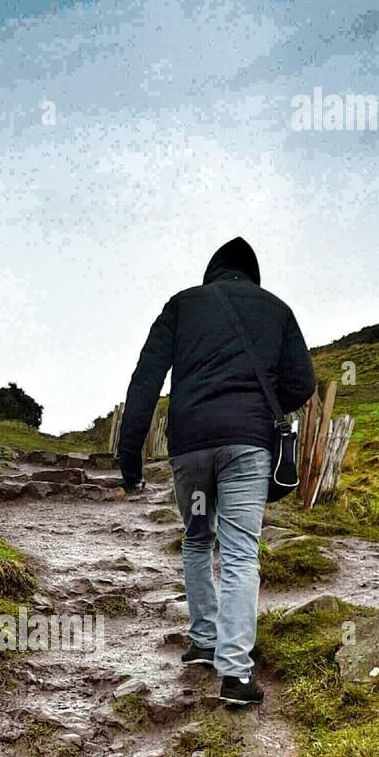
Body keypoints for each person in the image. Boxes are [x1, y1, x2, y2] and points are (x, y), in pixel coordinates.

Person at [117, 237, 315, 705]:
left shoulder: (182, 305)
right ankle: (235, 675)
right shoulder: (277, 309)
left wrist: (130, 463)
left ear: (212, 272)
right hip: (247, 446)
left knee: (198, 537)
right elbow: (302, 382)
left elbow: (145, 380)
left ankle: (202, 641)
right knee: (242, 553)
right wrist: (260, 408)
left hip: (190, 447)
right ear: (252, 274)